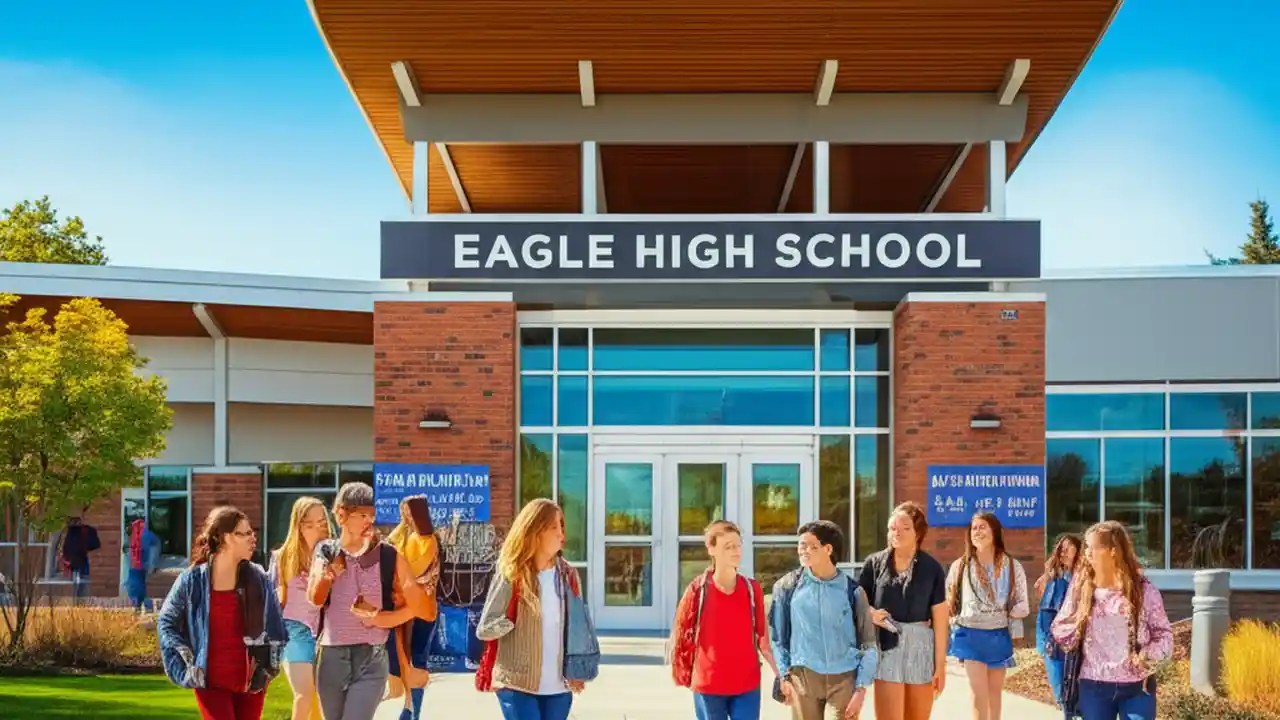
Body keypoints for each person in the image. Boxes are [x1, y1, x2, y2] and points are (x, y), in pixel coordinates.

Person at [307, 482, 427, 720]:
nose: (369, 521)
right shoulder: (326, 551)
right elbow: (315, 599)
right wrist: (328, 576)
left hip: (372, 658)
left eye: (372, 515)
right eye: (362, 515)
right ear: (341, 514)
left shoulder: (388, 555)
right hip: (332, 657)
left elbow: (420, 606)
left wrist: (384, 618)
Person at [157, 506, 287, 720]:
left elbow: (276, 628)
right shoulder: (191, 581)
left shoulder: (258, 578)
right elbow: (166, 622)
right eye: (242, 533)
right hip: (210, 682)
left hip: (250, 683)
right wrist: (185, 663)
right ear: (222, 537)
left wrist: (268, 668)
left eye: (251, 533)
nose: (251, 539)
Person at [476, 498, 596, 720]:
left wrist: (577, 671)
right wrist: (510, 622)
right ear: (535, 532)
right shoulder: (512, 573)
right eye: (553, 527)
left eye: (562, 525)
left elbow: (576, 629)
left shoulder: (568, 575)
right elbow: (484, 628)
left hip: (559, 688)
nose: (561, 533)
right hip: (517, 685)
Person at [1051, 521, 1173, 720]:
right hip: (1093, 685)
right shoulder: (1081, 588)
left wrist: (1146, 655)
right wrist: (1077, 624)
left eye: (1093, 547)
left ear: (1113, 550)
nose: (1087, 552)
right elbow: (1059, 628)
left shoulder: (1143, 590)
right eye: (1086, 547)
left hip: (1136, 686)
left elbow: (1164, 635)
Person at [769, 520, 879, 720]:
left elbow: (869, 643)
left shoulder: (853, 591)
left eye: (811, 546)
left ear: (828, 549)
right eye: (801, 546)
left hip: (844, 678)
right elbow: (778, 638)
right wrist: (784, 675)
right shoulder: (786, 587)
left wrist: (861, 688)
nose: (803, 551)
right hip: (803, 678)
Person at [670, 520, 777, 720]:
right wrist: (684, 673)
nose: (736, 551)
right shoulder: (697, 590)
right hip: (708, 684)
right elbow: (682, 636)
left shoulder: (751, 589)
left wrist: (782, 677)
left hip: (747, 684)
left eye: (738, 545)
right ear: (711, 549)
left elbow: (763, 639)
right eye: (728, 547)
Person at [857, 501, 949, 720]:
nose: (896, 532)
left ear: (918, 532)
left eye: (904, 527)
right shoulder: (874, 563)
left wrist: (940, 666)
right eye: (892, 528)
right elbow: (857, 602)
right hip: (887, 645)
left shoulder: (932, 568)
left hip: (921, 647)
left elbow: (940, 619)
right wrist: (871, 614)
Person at [945, 512, 1029, 720]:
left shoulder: (1012, 565)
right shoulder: (961, 565)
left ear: (994, 532)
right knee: (978, 694)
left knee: (994, 695)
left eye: (983, 527)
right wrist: (951, 622)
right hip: (969, 633)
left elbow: (1023, 604)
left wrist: (1008, 610)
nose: (978, 531)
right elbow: (949, 600)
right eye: (974, 528)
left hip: (999, 634)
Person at [267, 496, 330, 720]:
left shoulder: (331, 554)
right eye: (309, 522)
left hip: (326, 635)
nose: (317, 527)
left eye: (322, 521)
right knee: (304, 694)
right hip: (294, 629)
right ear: (298, 523)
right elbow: (273, 600)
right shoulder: (283, 557)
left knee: (322, 701)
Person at [385, 495, 443, 720]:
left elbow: (417, 569)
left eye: (412, 511)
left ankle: (412, 711)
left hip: (423, 608)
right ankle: (408, 703)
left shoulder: (429, 539)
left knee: (418, 659)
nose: (408, 515)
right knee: (402, 657)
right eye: (405, 511)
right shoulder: (396, 538)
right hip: (400, 607)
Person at [1034, 534, 1082, 711]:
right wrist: (1043, 644)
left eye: (1069, 547)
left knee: (1076, 694)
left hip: (1077, 643)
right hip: (1053, 643)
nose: (1064, 551)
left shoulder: (1084, 578)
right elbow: (1044, 614)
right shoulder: (1054, 578)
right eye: (1062, 547)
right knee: (1062, 695)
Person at [60, 514, 101, 600]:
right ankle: (77, 599)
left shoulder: (82, 531)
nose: (75, 523)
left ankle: (80, 599)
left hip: (79, 557)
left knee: (82, 580)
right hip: (76, 558)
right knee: (80, 580)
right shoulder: (79, 531)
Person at [125, 518, 161, 613]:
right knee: (142, 587)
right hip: (143, 567)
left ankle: (138, 608)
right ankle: (147, 608)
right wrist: (152, 564)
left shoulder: (132, 536)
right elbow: (156, 545)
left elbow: (128, 551)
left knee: (135, 588)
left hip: (134, 567)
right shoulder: (149, 536)